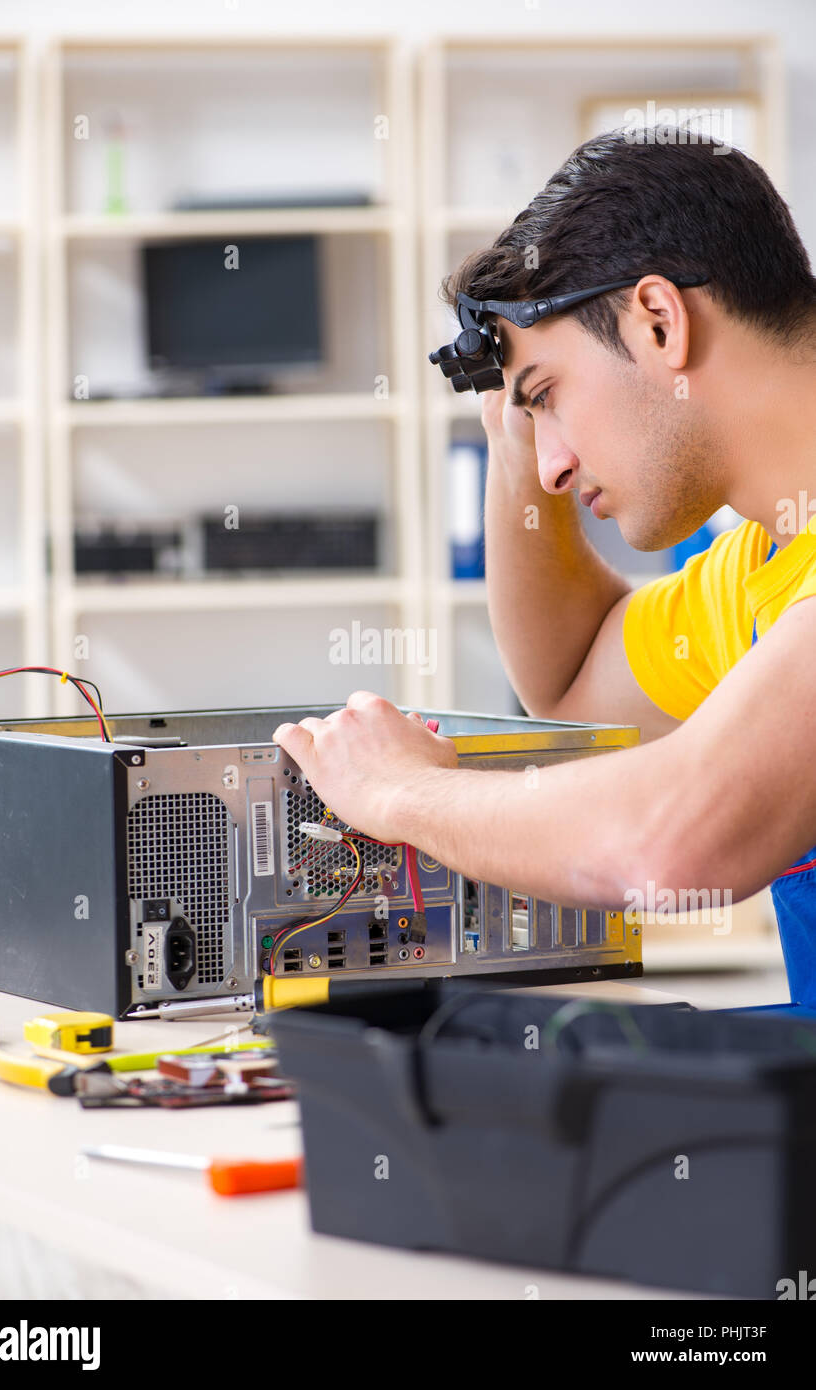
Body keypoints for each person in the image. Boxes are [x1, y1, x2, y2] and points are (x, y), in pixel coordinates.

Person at [273, 128, 816, 1006]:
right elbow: (567, 676)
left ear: (656, 321)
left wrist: (402, 792)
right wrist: (510, 433)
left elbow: (672, 842)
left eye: (548, 398)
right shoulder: (766, 563)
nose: (555, 468)